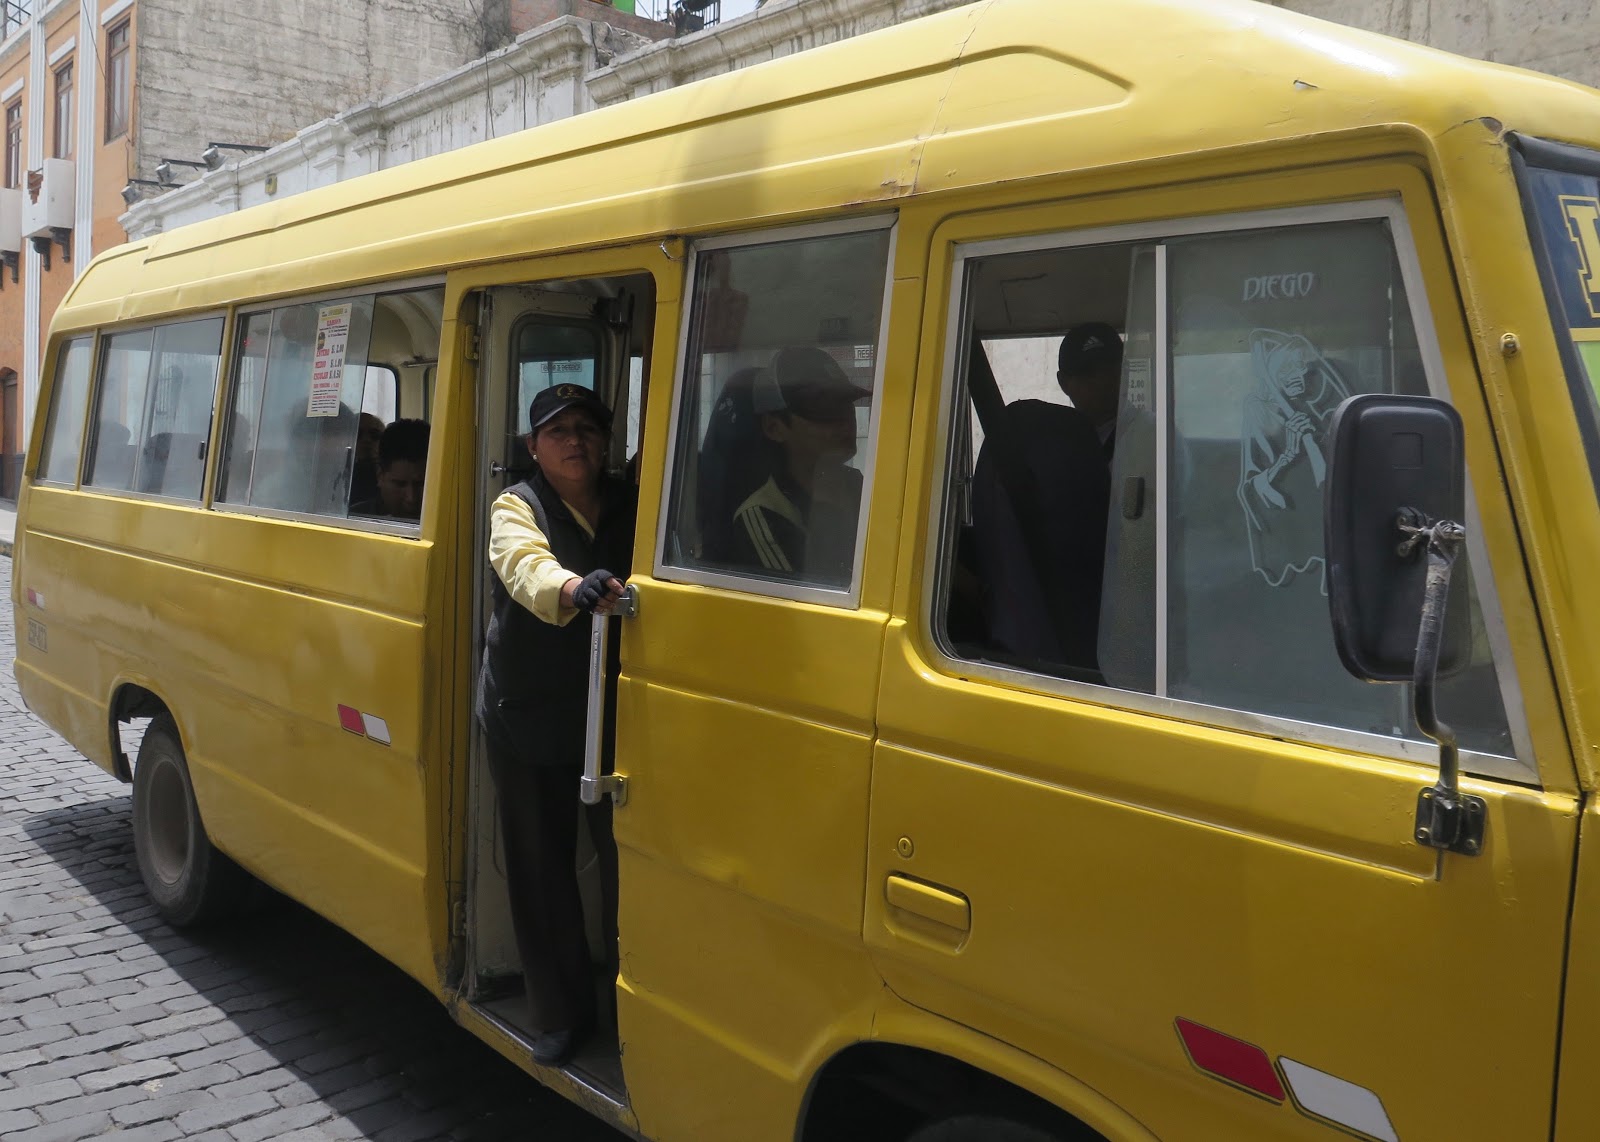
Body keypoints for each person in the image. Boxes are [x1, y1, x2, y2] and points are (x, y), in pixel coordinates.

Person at [475, 382, 636, 1067]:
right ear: (533, 445)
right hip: (529, 712)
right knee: (542, 870)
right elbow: (524, 565)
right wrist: (576, 588)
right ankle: (560, 1016)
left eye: (589, 429)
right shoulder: (518, 505)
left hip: (617, 716)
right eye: (559, 430)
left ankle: (638, 1012)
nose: (576, 441)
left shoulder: (632, 500)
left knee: (631, 866)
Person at [970, 321, 1123, 675]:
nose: (1103, 382)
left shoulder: (1152, 440)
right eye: (1088, 373)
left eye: (1111, 369)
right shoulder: (1047, 446)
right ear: (1063, 382)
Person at [728, 346, 869, 585]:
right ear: (774, 427)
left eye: (846, 404)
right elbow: (819, 605)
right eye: (823, 409)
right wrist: (829, 511)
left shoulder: (859, 486)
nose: (845, 421)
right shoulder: (762, 515)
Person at [351, 418, 429, 520]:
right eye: (400, 484)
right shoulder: (355, 519)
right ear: (380, 476)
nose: (411, 498)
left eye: (422, 484)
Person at [351, 412, 384, 506]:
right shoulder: (339, 473)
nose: (366, 440)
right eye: (358, 434)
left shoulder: (391, 474)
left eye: (374, 434)